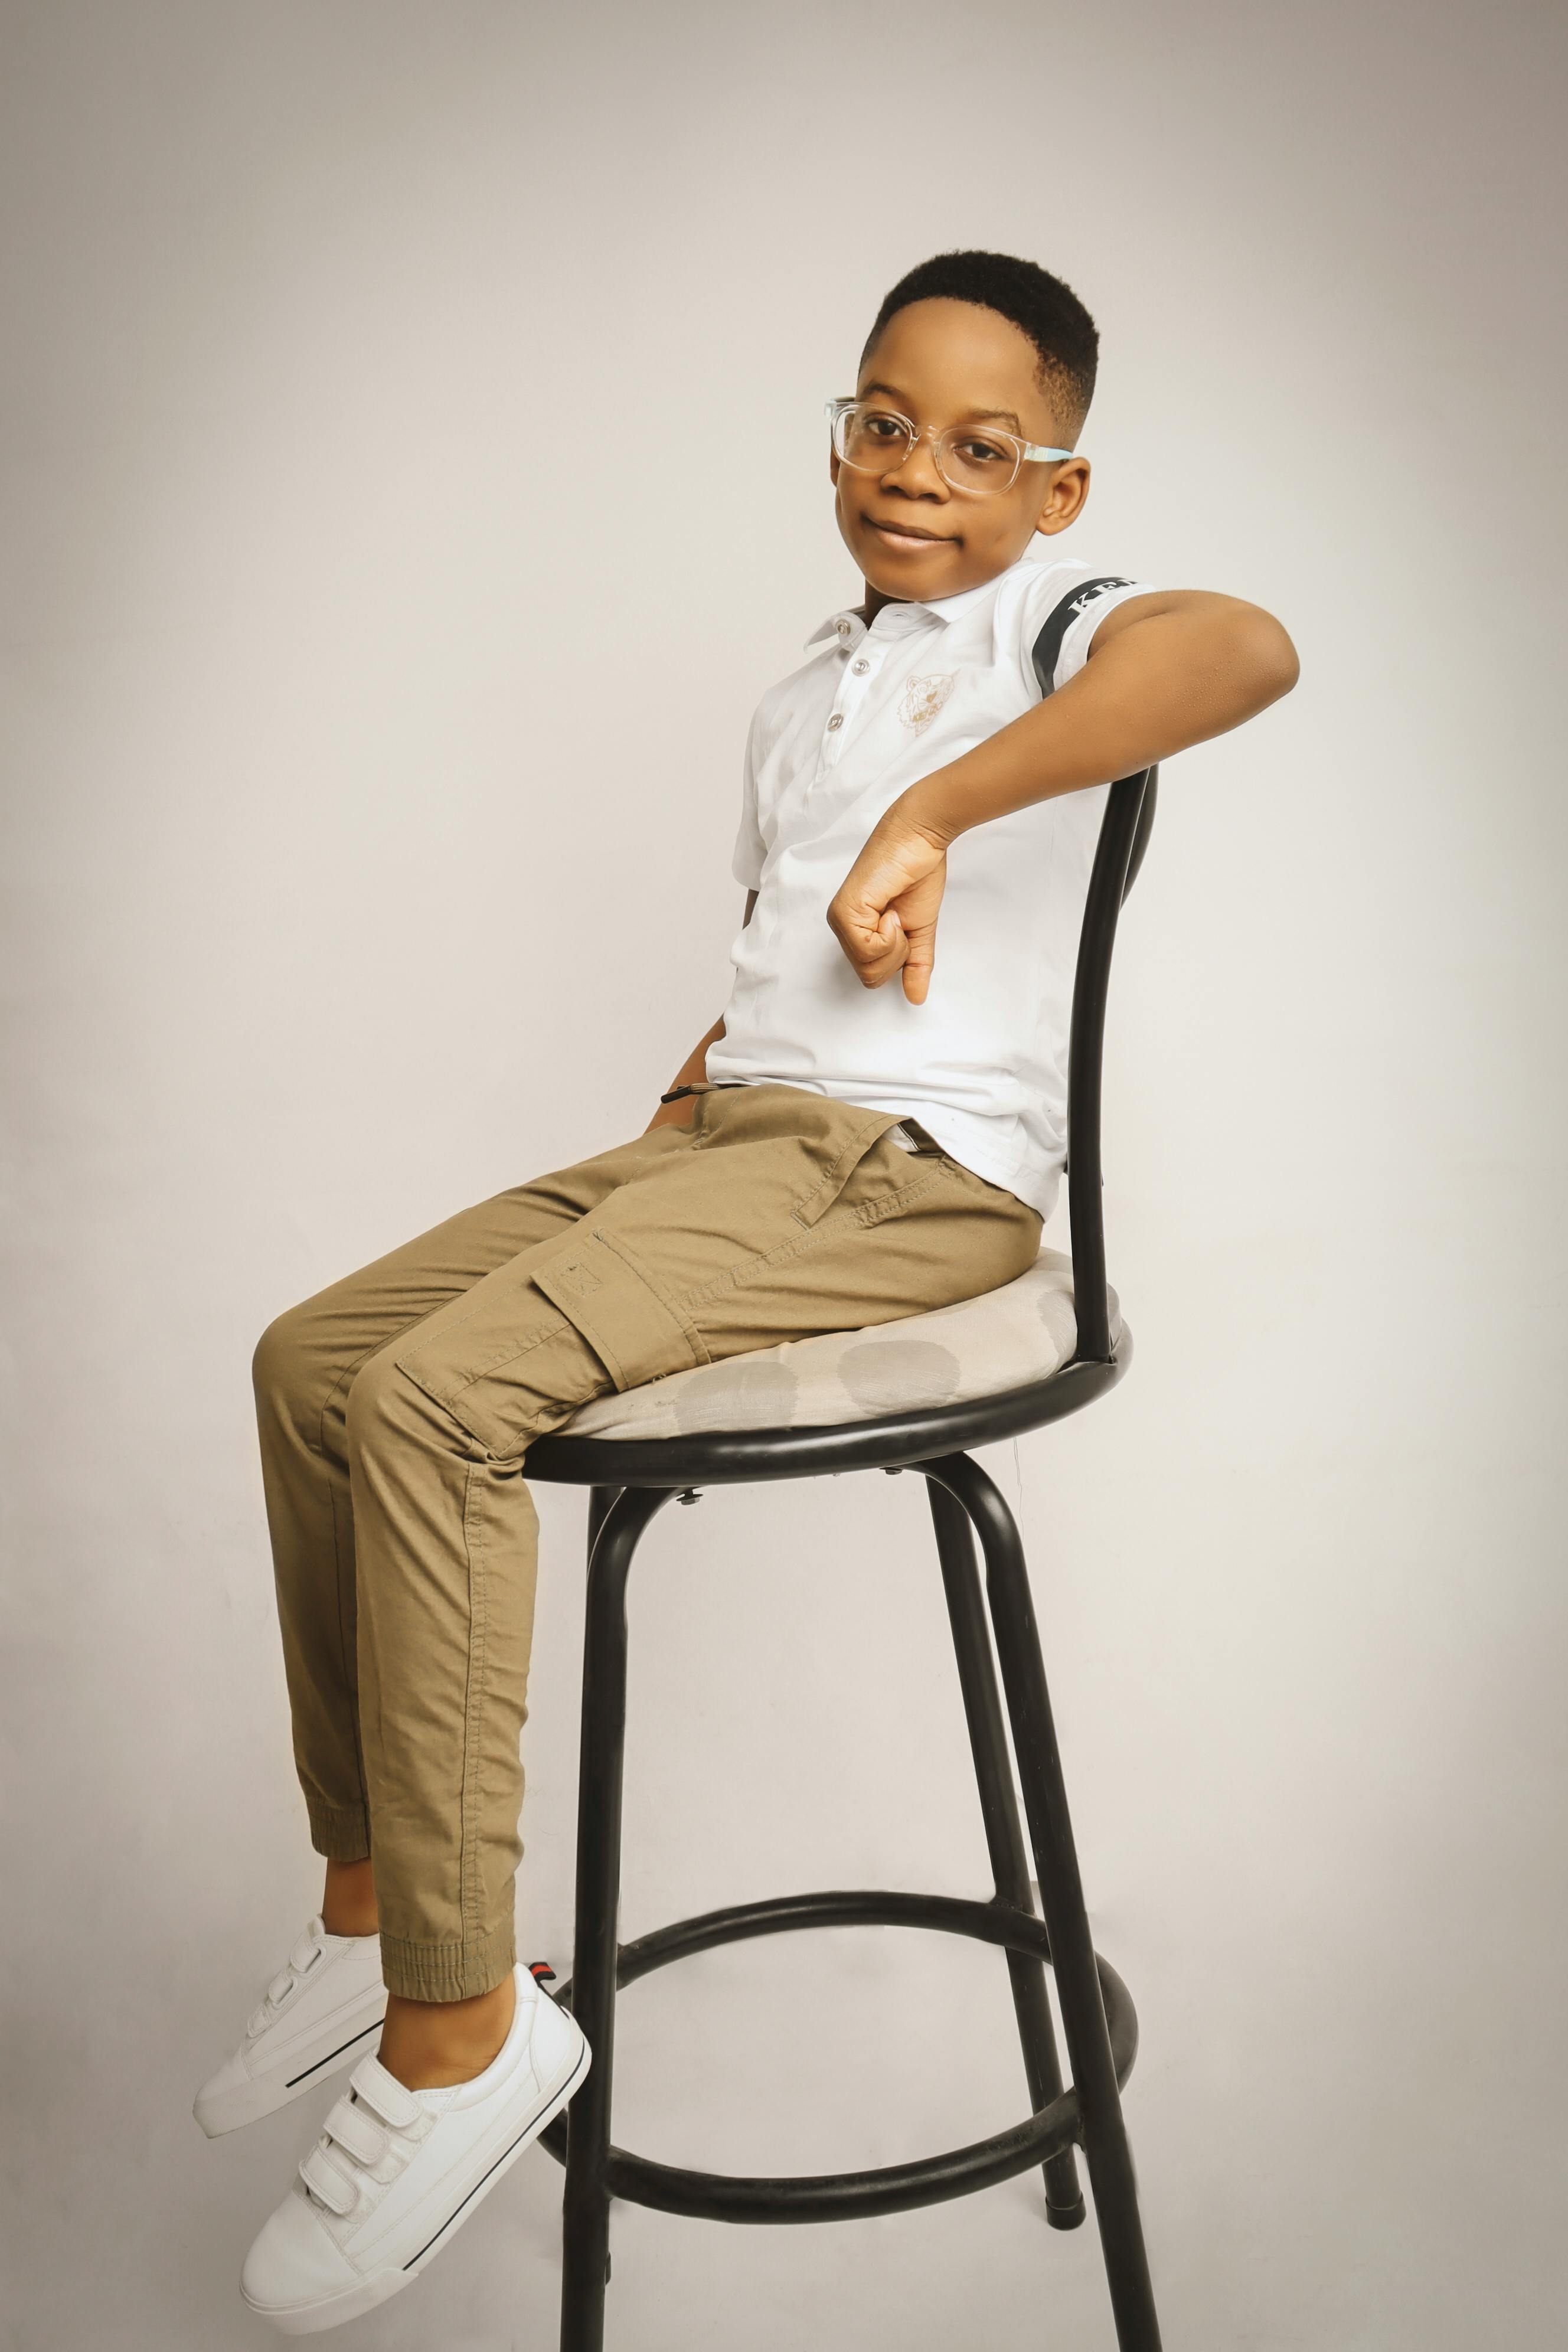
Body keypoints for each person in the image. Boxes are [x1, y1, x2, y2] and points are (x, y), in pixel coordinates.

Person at [195, 247, 1299, 2333]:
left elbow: (1247, 648)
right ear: (837, 430)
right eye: (883, 421)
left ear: (1059, 490)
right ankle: (368, 1913)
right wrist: (699, 1098)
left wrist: (942, 803)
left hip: (917, 1185)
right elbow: (787, 969)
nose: (917, 470)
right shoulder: (809, 681)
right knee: (319, 1361)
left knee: (443, 1407)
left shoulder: (1052, 634)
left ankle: (461, 2028)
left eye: (983, 446)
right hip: (748, 1146)